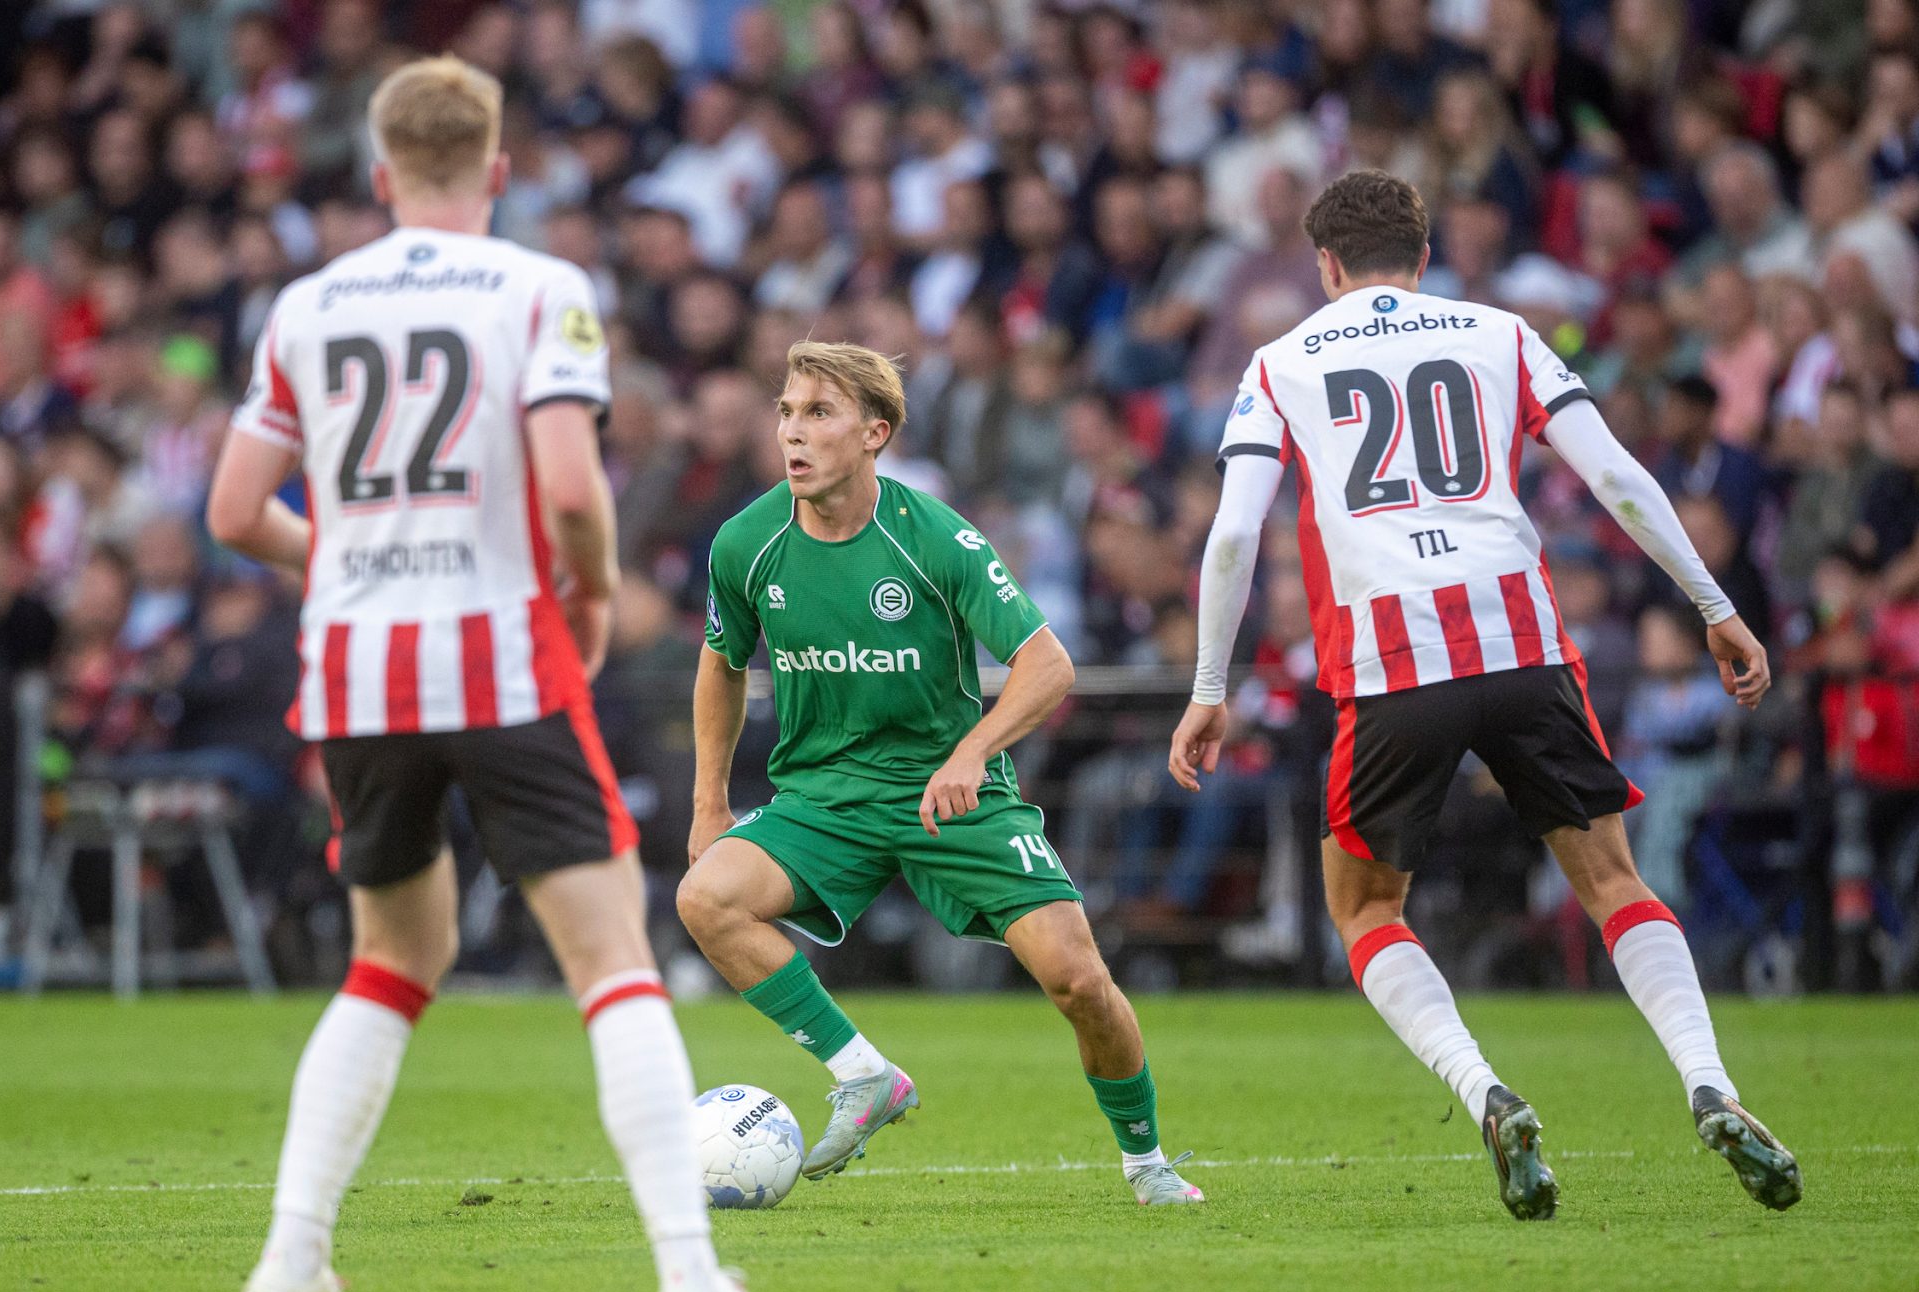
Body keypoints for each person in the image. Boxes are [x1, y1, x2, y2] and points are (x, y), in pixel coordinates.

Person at [204, 56, 769, 1292]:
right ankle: (689, 1276)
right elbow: (571, 487)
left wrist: (334, 554)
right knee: (613, 959)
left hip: (356, 675)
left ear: (378, 173)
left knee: (392, 963)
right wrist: (592, 588)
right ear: (499, 171)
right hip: (500, 658)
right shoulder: (540, 289)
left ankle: (293, 1263)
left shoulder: (305, 307)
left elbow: (235, 512)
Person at [1167, 170, 1800, 1221]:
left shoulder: (1279, 363)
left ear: (1324, 267)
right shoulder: (1498, 331)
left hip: (1388, 662)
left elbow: (1233, 532)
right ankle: (1709, 1085)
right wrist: (1713, 604)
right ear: (1422, 259)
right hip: (1520, 640)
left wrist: (1206, 684)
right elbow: (1620, 478)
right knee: (1608, 879)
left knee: (1363, 906)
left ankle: (1487, 1094)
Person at [677, 340, 1204, 1207]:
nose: (792, 434)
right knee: (705, 897)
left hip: (948, 792)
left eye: (818, 413)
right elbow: (721, 662)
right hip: (824, 796)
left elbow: (1048, 664)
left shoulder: (936, 537)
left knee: (1077, 978)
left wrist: (972, 752)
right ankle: (863, 1073)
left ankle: (1146, 1161)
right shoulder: (746, 541)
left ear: (875, 432)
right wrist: (709, 803)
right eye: (785, 412)